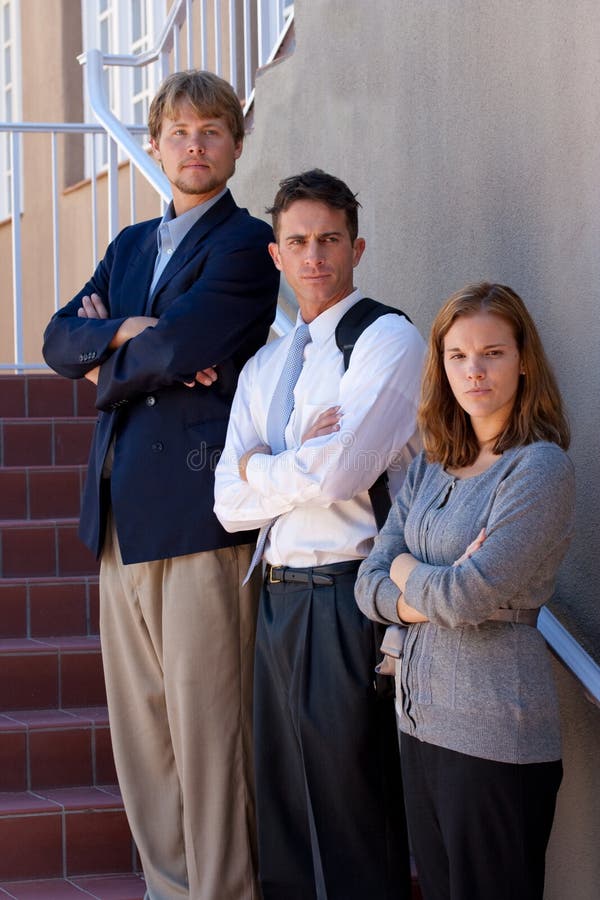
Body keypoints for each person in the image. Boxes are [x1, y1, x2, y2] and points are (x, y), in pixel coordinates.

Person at [42, 70, 279, 900]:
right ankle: (168, 890)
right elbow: (57, 340)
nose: (193, 145)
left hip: (196, 517)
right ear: (153, 143)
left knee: (210, 737)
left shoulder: (248, 246)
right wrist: (120, 334)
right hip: (117, 519)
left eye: (211, 131)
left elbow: (180, 349)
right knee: (143, 735)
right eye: (178, 131)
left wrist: (115, 361)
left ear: (236, 146)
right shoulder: (130, 245)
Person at [214, 168, 425, 900]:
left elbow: (340, 472)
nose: (313, 256)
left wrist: (262, 463)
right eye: (297, 241)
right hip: (274, 600)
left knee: (352, 805)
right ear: (276, 254)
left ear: (356, 247)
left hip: (350, 595)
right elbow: (224, 501)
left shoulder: (386, 338)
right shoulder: (268, 366)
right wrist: (288, 457)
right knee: (285, 808)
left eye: (329, 239)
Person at [355, 281, 575, 900]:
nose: (473, 371)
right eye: (457, 356)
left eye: (492, 353)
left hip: (494, 731)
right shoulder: (432, 460)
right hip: (420, 722)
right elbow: (367, 582)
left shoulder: (538, 468)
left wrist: (407, 572)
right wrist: (418, 582)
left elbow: (463, 599)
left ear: (523, 358)